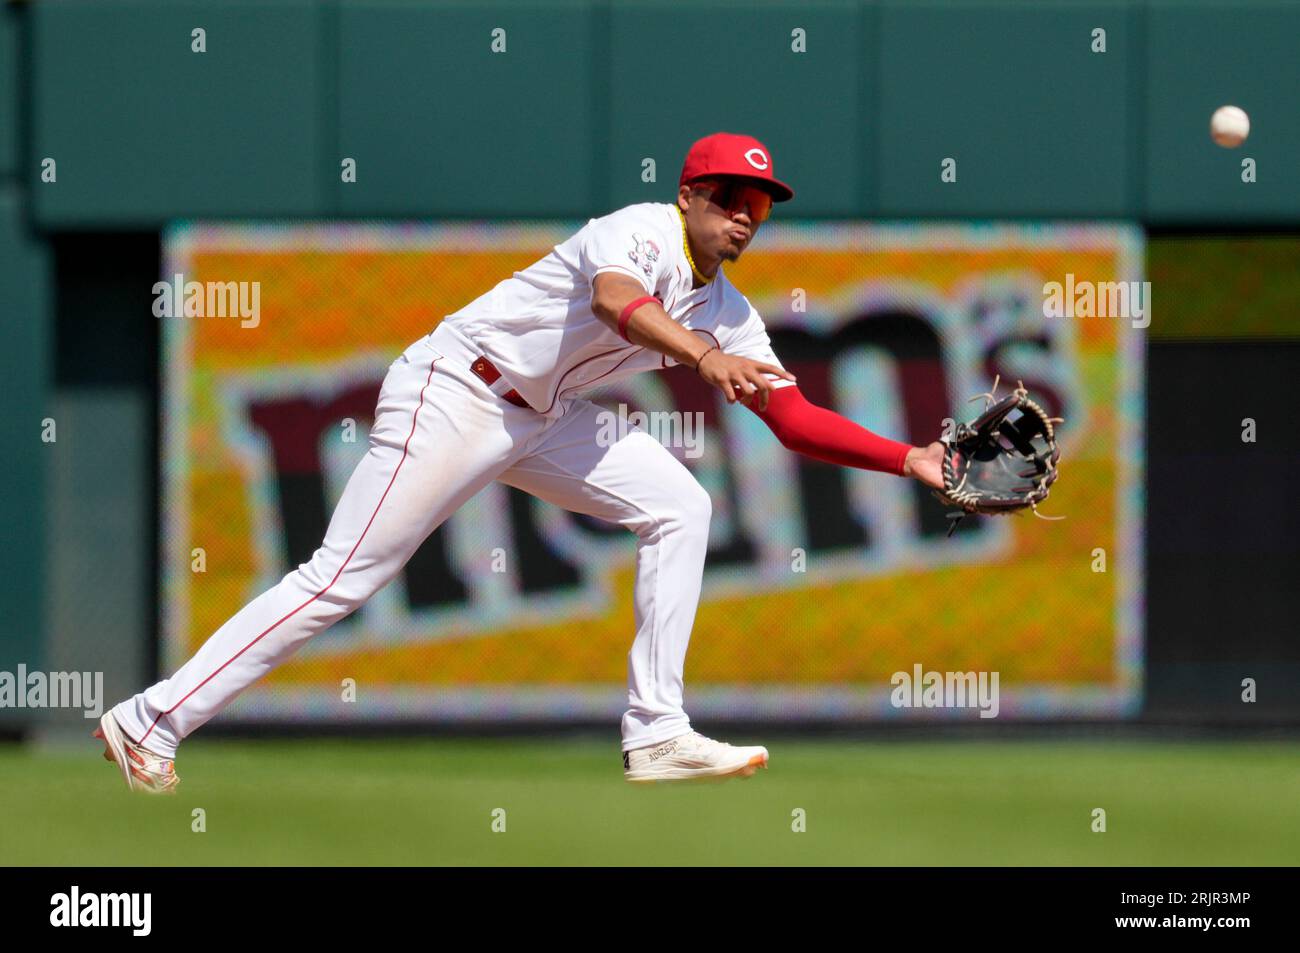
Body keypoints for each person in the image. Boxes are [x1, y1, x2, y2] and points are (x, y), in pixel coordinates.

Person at [95, 131, 945, 791]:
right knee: (340, 579)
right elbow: (619, 303)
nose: (743, 217)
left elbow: (792, 419)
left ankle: (655, 731)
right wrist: (698, 356)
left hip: (543, 417)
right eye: (728, 197)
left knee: (681, 506)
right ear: (688, 194)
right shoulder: (638, 231)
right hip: (455, 389)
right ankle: (151, 718)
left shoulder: (727, 310)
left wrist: (908, 457)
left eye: (759, 206)